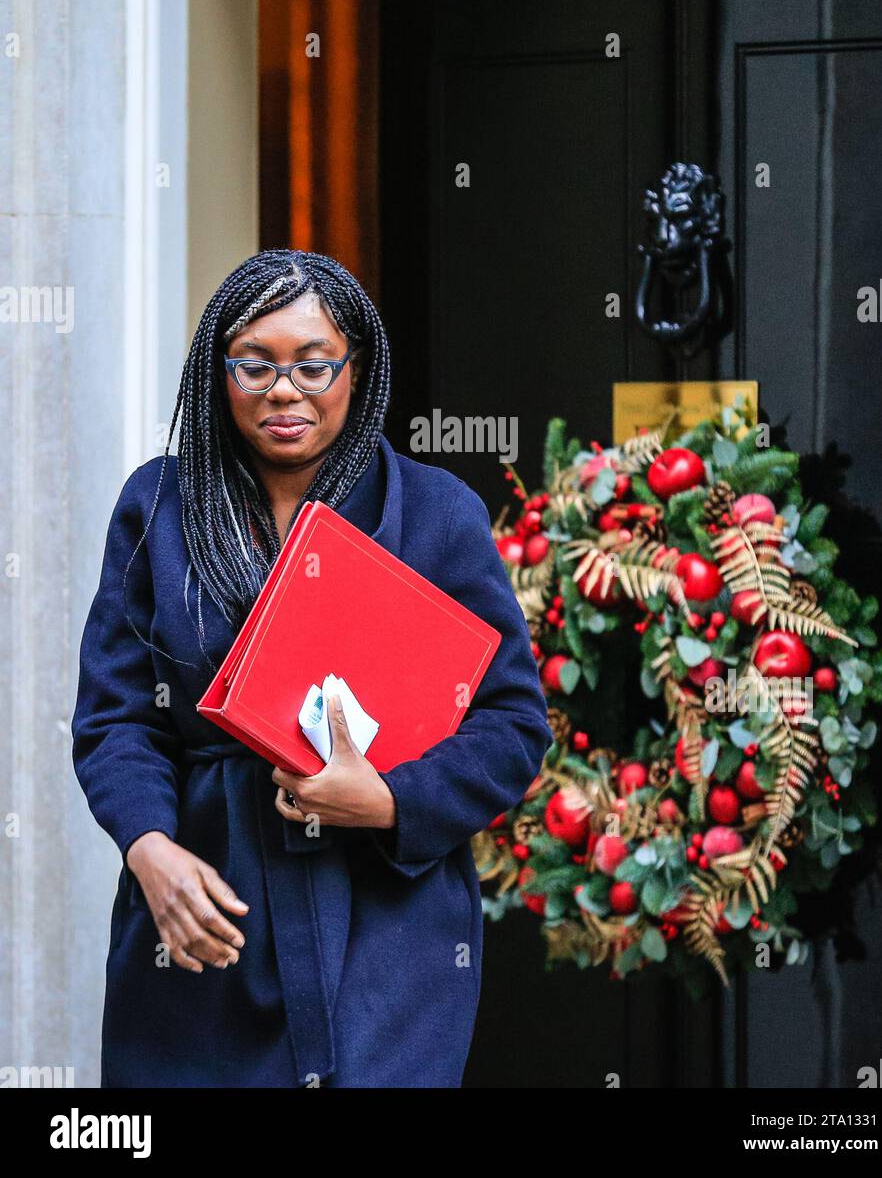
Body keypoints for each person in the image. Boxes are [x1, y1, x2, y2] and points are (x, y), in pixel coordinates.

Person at [71, 249, 553, 1088]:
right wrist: (149, 847)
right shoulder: (159, 507)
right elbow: (118, 719)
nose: (284, 391)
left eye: (314, 364)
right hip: (206, 910)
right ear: (217, 372)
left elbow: (512, 724)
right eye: (254, 364)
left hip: (387, 927)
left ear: (356, 370)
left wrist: (394, 800)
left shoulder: (437, 514)